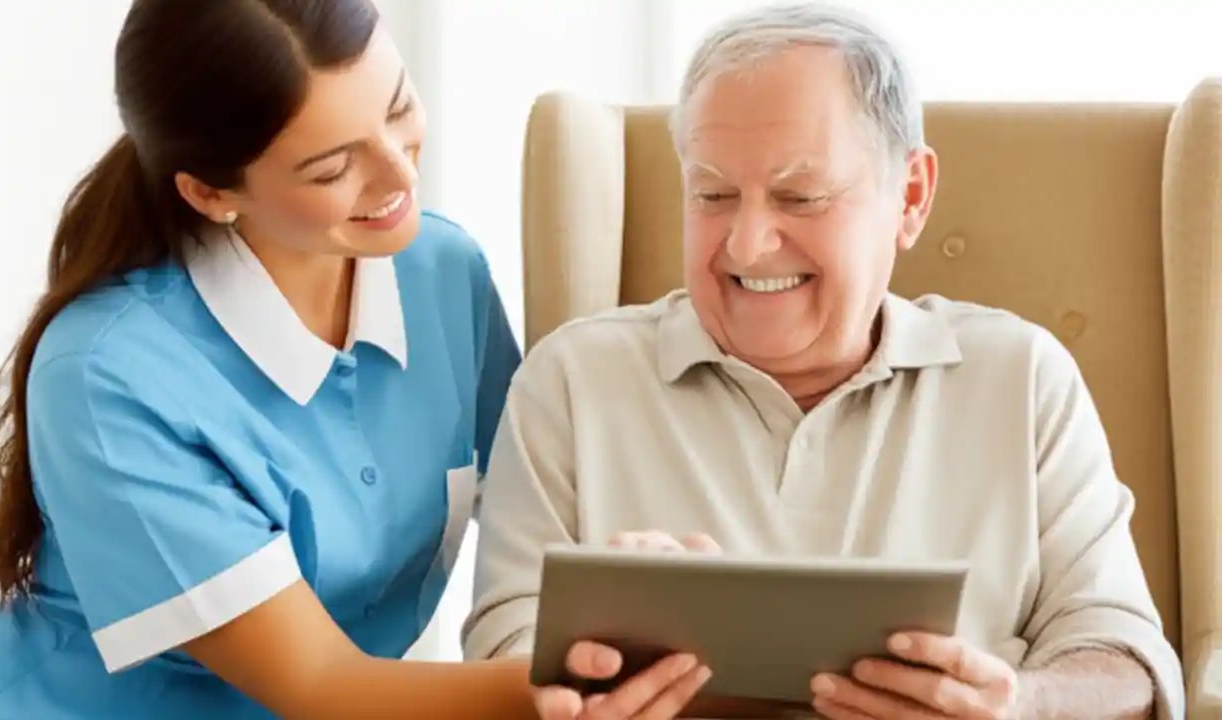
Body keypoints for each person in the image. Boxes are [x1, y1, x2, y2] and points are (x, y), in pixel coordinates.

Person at [0, 2, 707, 718]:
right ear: (211, 193)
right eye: (334, 168)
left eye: (399, 108)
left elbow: (539, 504)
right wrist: (578, 685)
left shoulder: (441, 271)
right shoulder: (108, 376)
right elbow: (319, 687)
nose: (400, 176)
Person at [464, 3, 1187, 719]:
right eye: (712, 194)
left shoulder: (1022, 377)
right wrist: (585, 663)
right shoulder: (571, 380)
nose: (746, 245)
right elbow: (501, 652)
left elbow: (1127, 658)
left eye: (800, 197)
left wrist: (1020, 704)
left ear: (910, 196)